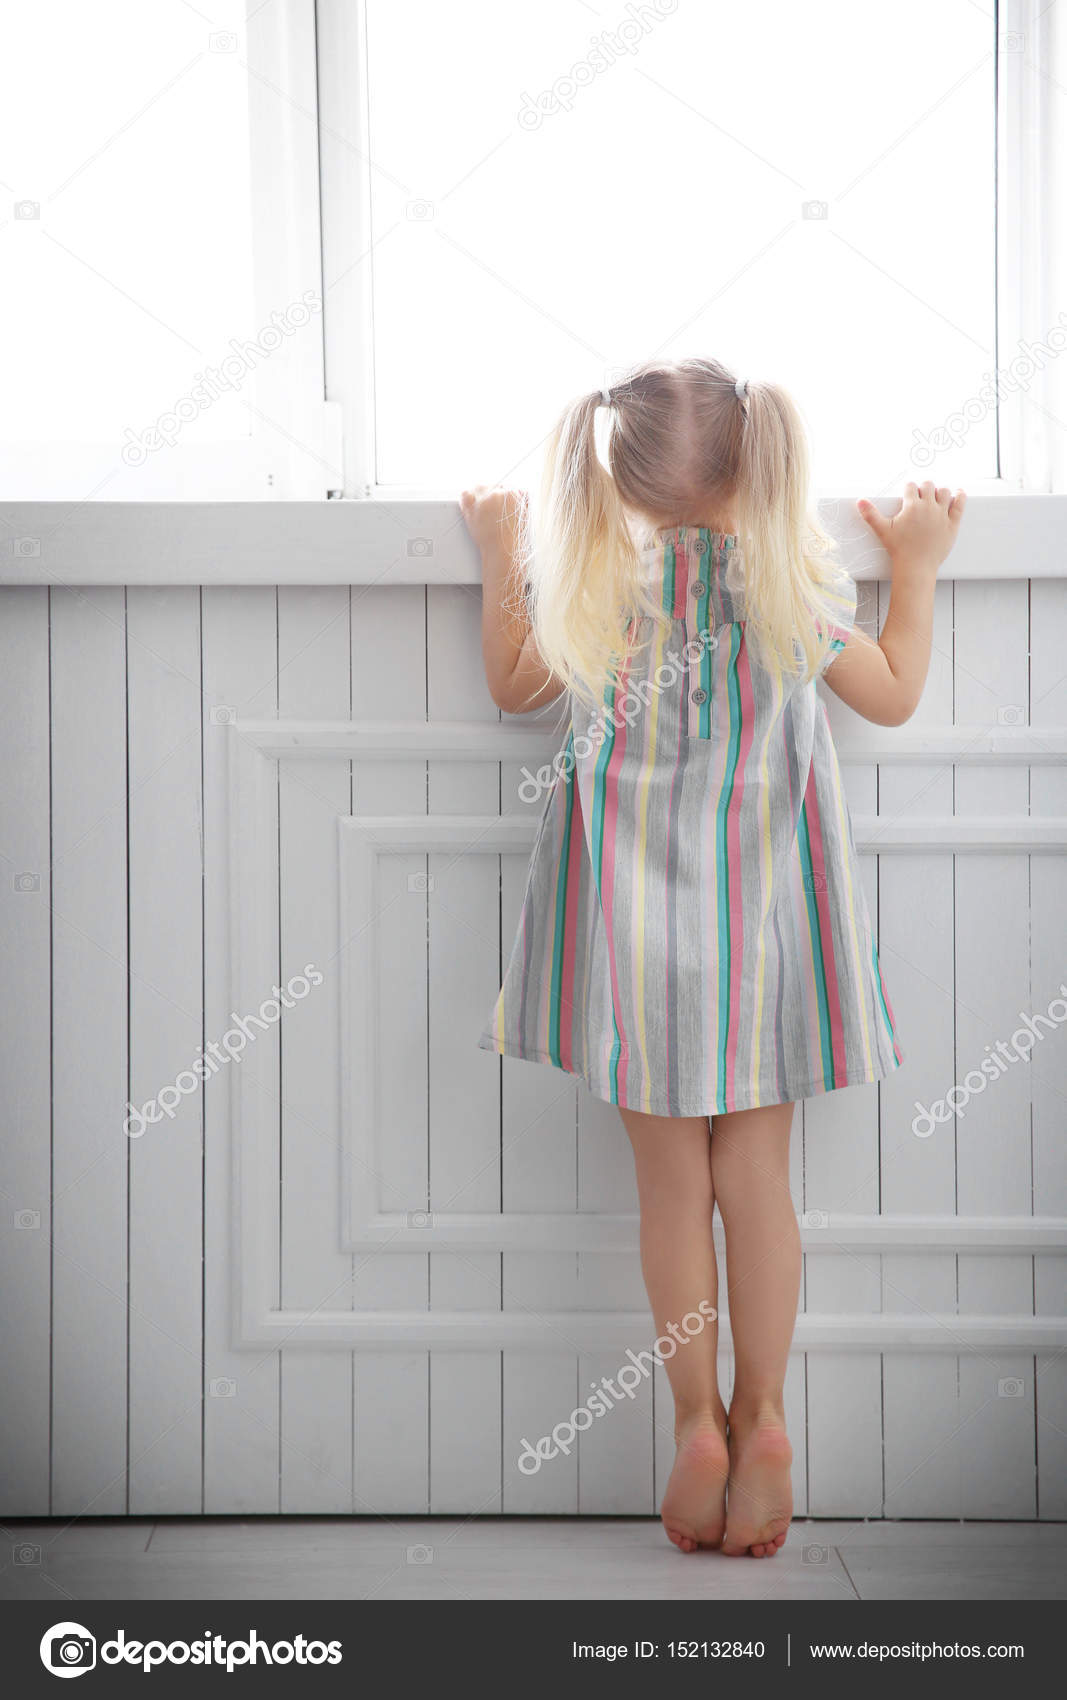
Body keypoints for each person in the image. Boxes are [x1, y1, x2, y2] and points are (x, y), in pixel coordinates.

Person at [461, 357, 965, 1557]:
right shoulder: (791, 587)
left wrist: (498, 553)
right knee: (757, 1186)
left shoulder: (598, 589)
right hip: (762, 944)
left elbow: (509, 682)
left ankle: (692, 1420)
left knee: (668, 1192)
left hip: (637, 953)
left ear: (616, 480)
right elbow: (890, 693)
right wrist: (918, 565)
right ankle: (766, 1414)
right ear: (756, 463)